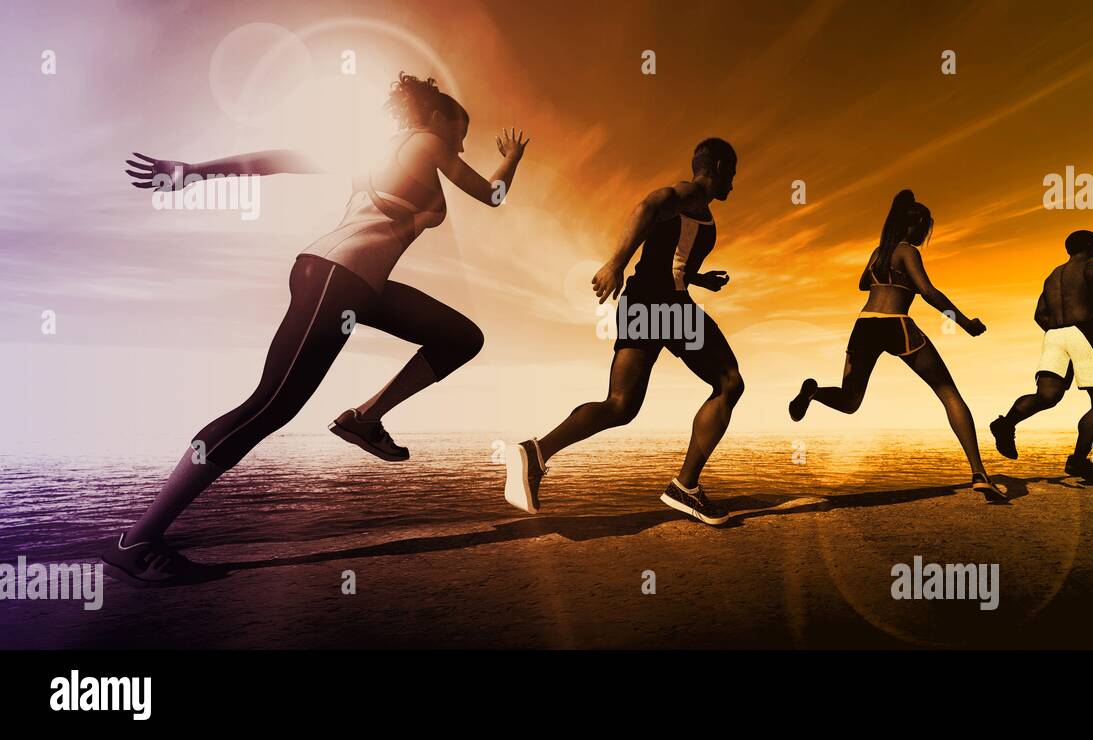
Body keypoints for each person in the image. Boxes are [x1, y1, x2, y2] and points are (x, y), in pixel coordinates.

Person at [104, 73, 528, 585]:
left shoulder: (378, 151)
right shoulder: (425, 140)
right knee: (267, 407)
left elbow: (287, 159)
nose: (460, 145)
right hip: (337, 279)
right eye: (461, 132)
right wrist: (512, 157)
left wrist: (199, 172)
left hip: (356, 284)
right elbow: (492, 194)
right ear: (437, 119)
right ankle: (139, 538)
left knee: (461, 337)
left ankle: (364, 419)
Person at [503, 139, 740, 526]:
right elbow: (648, 206)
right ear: (715, 165)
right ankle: (685, 487)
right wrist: (615, 263)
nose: (733, 182)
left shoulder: (699, 210)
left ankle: (536, 452)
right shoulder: (688, 192)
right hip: (659, 305)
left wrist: (699, 278)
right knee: (727, 382)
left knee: (621, 405)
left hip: (659, 304)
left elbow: (670, 257)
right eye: (731, 172)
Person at [788, 189, 1005, 501]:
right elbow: (929, 292)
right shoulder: (908, 251)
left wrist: (886, 271)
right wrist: (965, 323)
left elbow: (863, 283)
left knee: (850, 401)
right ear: (915, 227)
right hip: (896, 324)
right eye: (926, 228)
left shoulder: (879, 252)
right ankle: (979, 473)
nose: (926, 234)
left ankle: (814, 393)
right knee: (948, 393)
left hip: (864, 325)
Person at [989, 229, 1093, 485]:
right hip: (1083, 330)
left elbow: (1040, 314)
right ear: (1090, 245)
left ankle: (1006, 423)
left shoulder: (1052, 276)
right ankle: (1079, 459)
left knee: (1046, 396)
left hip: (1053, 335)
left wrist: (1061, 335)